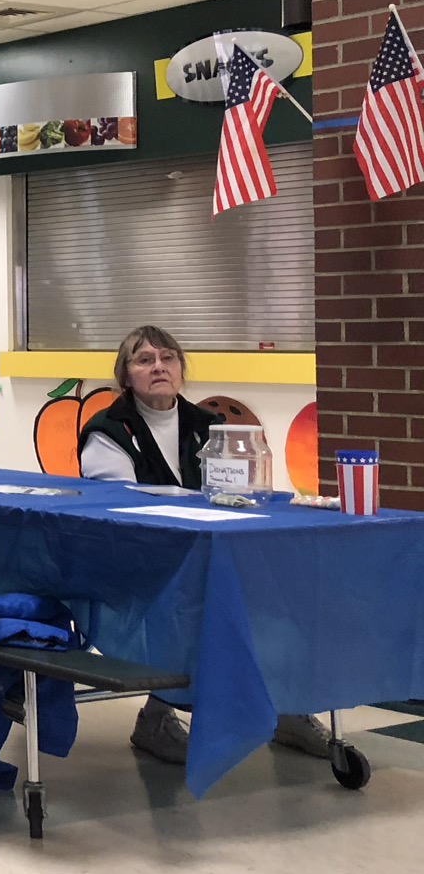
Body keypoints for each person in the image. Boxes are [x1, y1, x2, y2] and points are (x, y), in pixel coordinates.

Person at [78, 325, 330, 764]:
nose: (158, 366)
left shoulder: (210, 426)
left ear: (180, 369)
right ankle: (157, 716)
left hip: (211, 551)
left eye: (168, 358)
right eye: (144, 360)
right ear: (126, 376)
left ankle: (289, 706)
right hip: (141, 560)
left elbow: (238, 492)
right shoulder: (107, 431)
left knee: (286, 588)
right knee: (199, 600)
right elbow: (120, 511)